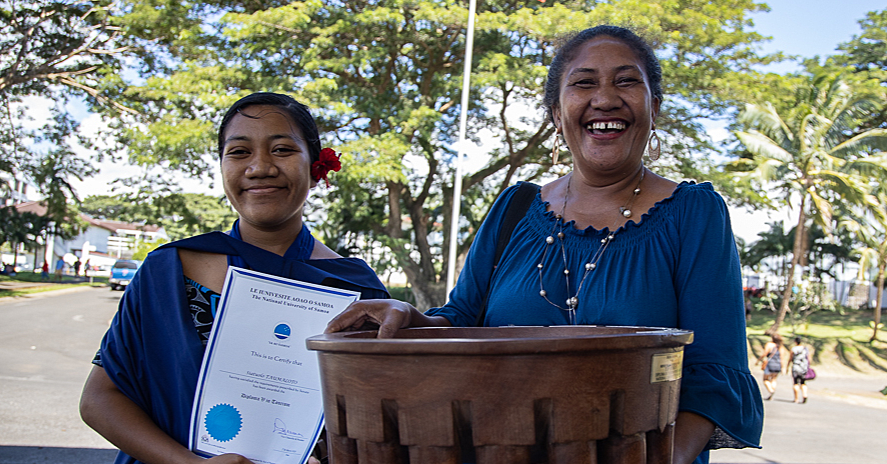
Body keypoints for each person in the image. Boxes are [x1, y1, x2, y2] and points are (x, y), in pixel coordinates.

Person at [326, 25, 763, 464]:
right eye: (584, 82)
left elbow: (713, 375)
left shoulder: (694, 212)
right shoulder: (515, 207)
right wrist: (408, 317)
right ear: (556, 113)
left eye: (627, 81)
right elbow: (461, 320)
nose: (606, 98)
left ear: (655, 107)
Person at [79, 92, 389, 464]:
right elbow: (100, 398)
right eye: (239, 152)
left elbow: (377, 422)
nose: (259, 167)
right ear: (222, 166)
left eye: (282, 150)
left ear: (315, 166)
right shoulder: (167, 271)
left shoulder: (356, 290)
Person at [756, 333, 783, 400]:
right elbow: (781, 358)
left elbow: (765, 353)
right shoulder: (780, 347)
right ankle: (772, 390)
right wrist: (782, 367)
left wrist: (758, 360)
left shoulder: (769, 344)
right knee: (774, 379)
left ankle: (771, 390)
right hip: (777, 364)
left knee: (765, 379)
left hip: (770, 364)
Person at [789, 336, 810, 403]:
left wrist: (787, 366)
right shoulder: (805, 349)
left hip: (796, 367)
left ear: (795, 342)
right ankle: (805, 395)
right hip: (803, 368)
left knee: (795, 382)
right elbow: (808, 358)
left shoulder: (793, 349)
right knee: (803, 382)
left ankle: (796, 398)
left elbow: (790, 358)